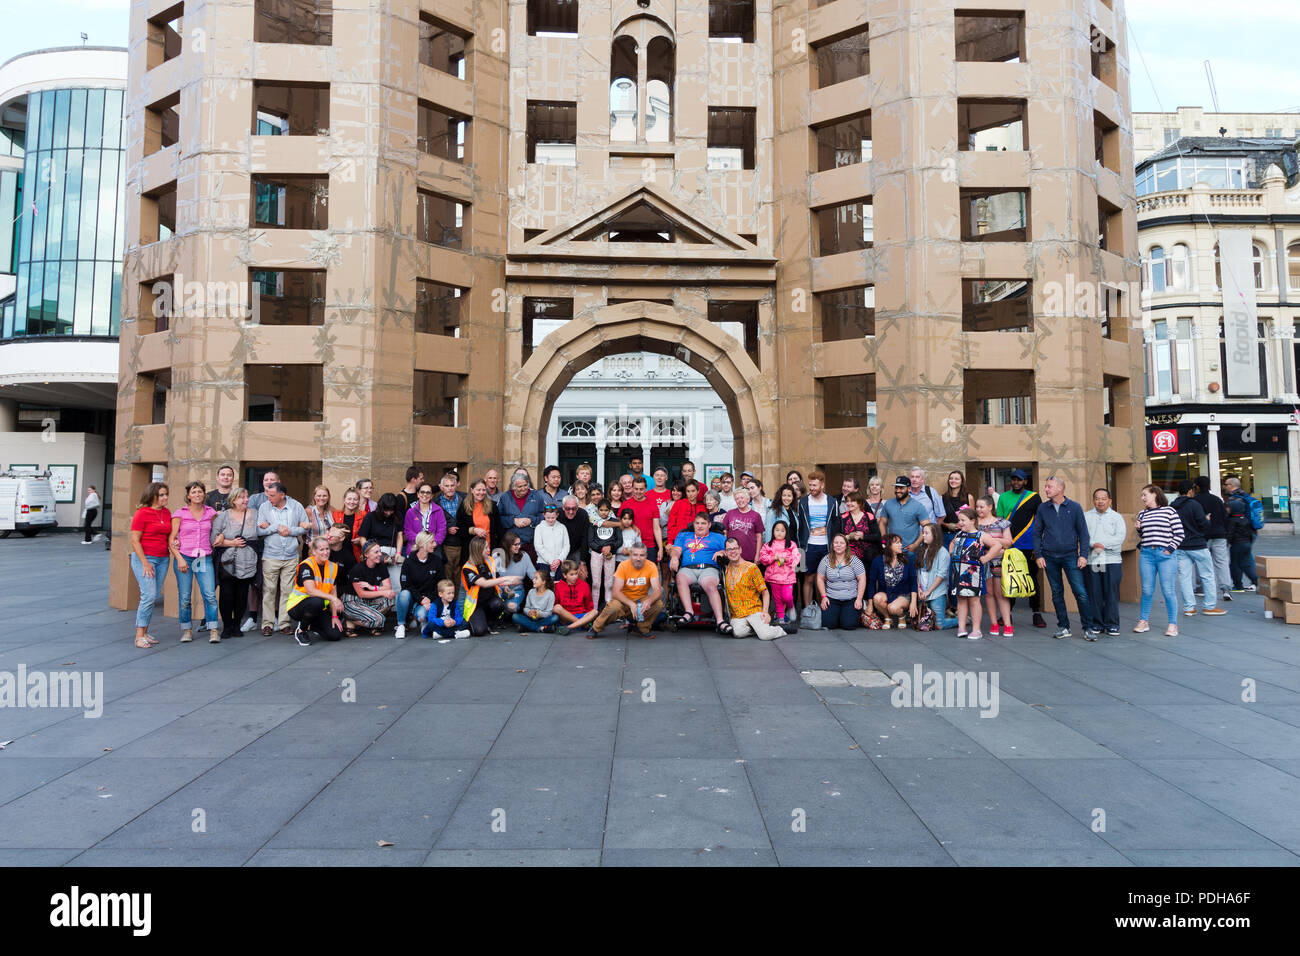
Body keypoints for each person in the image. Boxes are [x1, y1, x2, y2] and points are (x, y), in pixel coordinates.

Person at [1034, 476, 1097, 639]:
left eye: (1049, 486)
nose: (1046, 489)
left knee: (1080, 592)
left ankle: (1088, 628)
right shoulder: (1042, 508)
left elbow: (1084, 534)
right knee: (1056, 592)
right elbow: (1037, 533)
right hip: (1049, 557)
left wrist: (1083, 555)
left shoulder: (1075, 507)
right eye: (1046, 486)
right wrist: (1039, 555)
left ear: (1060, 489)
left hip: (1070, 556)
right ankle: (1063, 627)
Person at [170, 481, 220, 643]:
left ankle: (213, 629)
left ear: (204, 495)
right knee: (185, 597)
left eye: (200, 492)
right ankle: (187, 630)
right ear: (188, 496)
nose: (198, 494)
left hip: (204, 557)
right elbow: (171, 540)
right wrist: (179, 559)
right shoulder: (180, 514)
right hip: (185, 557)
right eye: (194, 492)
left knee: (209, 595)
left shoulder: (211, 512)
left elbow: (218, 529)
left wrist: (221, 537)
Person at [256, 481, 309, 635]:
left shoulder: (296, 506)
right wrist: (275, 527)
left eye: (272, 495)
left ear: (282, 495)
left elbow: (304, 526)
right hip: (271, 555)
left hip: (291, 555)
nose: (269, 498)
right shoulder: (264, 507)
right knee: (269, 591)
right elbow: (258, 531)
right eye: (267, 494)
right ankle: (267, 624)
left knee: (287, 590)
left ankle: (284, 623)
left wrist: (290, 531)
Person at [997, 468, 1045, 628]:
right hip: (1010, 546)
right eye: (1014, 479)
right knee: (1009, 578)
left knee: (1031, 579)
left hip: (1029, 546)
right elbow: (1001, 521)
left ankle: (1036, 613)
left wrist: (1037, 548)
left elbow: (1040, 523)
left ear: (1025, 481)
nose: (1016, 482)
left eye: (1020, 479)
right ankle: (1006, 614)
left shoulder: (1034, 497)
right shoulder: (1003, 497)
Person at [1171, 479, 1226, 619]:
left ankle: (1189, 608)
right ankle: (1209, 606)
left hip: (1180, 546)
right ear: (1190, 491)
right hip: (1197, 545)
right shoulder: (1194, 505)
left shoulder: (1172, 506)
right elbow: (1203, 525)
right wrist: (1207, 519)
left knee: (1184, 577)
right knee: (1207, 575)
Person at [1134, 484, 1184, 636]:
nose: (1142, 498)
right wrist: (1139, 529)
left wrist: (1168, 550)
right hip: (1147, 554)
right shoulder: (1142, 514)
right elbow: (1145, 536)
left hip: (1165, 554)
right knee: (1147, 590)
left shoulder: (1169, 511)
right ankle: (1143, 621)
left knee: (1168, 590)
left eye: (1145, 495)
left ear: (1155, 494)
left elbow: (1179, 533)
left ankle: (1172, 624)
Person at [586, 543, 664, 639]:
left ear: (646, 556)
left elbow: (657, 590)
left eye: (642, 555)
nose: (638, 558)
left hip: (640, 602)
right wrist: (631, 604)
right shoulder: (623, 565)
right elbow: (615, 592)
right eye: (635, 555)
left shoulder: (651, 566)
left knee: (658, 604)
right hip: (624, 601)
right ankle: (595, 628)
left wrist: (650, 600)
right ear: (631, 555)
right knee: (613, 606)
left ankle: (641, 628)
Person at [211, 487, 260, 639]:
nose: (246, 500)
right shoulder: (223, 516)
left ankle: (237, 625)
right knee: (226, 594)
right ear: (233, 500)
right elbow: (214, 540)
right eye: (242, 497)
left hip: (248, 561)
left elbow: (261, 534)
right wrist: (232, 542)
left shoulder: (255, 514)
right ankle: (226, 626)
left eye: (247, 496)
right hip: (228, 561)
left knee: (242, 594)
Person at [128, 482, 172, 649]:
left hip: (163, 559)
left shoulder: (167, 513)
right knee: (148, 596)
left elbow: (168, 535)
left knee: (152, 598)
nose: (165, 497)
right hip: (145, 559)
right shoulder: (142, 513)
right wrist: (145, 563)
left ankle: (145, 632)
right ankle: (139, 636)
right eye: (161, 495)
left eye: (166, 494)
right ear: (152, 496)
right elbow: (134, 541)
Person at [668, 512, 729, 631]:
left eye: (703, 523)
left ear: (709, 525)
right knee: (680, 578)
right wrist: (674, 557)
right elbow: (676, 550)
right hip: (688, 568)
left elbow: (730, 551)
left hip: (708, 568)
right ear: (693, 524)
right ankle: (689, 612)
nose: (700, 526)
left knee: (711, 586)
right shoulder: (684, 535)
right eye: (697, 523)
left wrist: (722, 553)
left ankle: (720, 620)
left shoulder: (719, 537)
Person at [949, 506, 1003, 639]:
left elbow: (997, 545)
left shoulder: (981, 535)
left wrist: (986, 558)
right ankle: (961, 627)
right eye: (959, 520)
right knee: (961, 599)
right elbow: (952, 543)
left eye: (963, 520)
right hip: (958, 571)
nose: (960, 523)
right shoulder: (959, 534)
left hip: (973, 572)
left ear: (973, 521)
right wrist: (952, 552)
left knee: (974, 599)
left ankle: (976, 629)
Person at [719, 536, 787, 640]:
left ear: (740, 550)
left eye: (735, 548)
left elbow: (765, 592)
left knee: (765, 636)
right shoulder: (726, 569)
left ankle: (779, 630)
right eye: (729, 549)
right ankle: (757, 629)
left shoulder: (752, 568)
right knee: (738, 633)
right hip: (737, 615)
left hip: (753, 610)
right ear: (726, 552)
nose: (732, 552)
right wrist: (717, 553)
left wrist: (765, 612)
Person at [286, 535, 345, 645]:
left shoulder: (333, 567)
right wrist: (333, 598)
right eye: (321, 549)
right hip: (297, 606)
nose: (325, 552)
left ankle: (311, 624)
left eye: (327, 549)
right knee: (317, 601)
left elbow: (333, 591)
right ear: (314, 551)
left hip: (319, 608)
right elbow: (311, 591)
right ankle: (301, 630)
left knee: (335, 635)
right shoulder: (307, 565)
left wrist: (334, 616)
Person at [1084, 487, 1126, 639]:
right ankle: (1097, 623)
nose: (1100, 501)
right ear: (1093, 500)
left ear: (1109, 501)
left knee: (1111, 593)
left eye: (1103, 498)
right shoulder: (1086, 516)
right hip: (1094, 559)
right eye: (1097, 498)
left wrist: (1103, 545)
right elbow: (1083, 535)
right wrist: (1095, 544)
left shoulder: (1116, 517)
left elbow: (1120, 537)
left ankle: (1112, 624)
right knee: (1095, 592)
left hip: (1111, 560)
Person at [798, 470, 842, 608]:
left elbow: (836, 525)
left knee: (827, 578)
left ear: (822, 485)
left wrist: (835, 545)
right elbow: (800, 526)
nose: (812, 488)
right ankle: (807, 611)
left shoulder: (832, 502)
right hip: (808, 546)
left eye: (815, 485)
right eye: (810, 485)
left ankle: (827, 609)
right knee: (808, 578)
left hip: (827, 546)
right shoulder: (803, 502)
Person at [975, 495, 1013, 637]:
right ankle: (994, 624)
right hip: (981, 562)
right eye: (977, 507)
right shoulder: (974, 523)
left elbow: (1009, 541)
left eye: (982, 507)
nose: (978, 509)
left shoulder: (1001, 522)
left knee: (1000, 594)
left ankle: (1008, 625)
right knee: (988, 594)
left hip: (999, 561)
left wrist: (990, 541)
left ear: (990, 507)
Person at [396, 530, 445, 639]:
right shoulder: (409, 562)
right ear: (423, 544)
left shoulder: (436, 561)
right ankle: (401, 625)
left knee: (422, 616)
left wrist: (429, 599)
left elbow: (441, 583)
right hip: (413, 598)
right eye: (431, 542)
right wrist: (420, 599)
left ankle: (422, 622)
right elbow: (406, 585)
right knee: (404, 595)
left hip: (428, 598)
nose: (434, 544)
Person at [459, 536, 510, 636]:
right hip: (476, 605)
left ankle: (490, 623)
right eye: (486, 548)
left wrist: (505, 586)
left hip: (489, 600)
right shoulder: (468, 567)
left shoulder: (490, 560)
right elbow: (484, 583)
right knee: (479, 631)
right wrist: (505, 579)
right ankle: (478, 622)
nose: (489, 550)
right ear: (478, 550)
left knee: (498, 604)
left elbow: (496, 577)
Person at [1194, 475, 1233, 604]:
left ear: (1197, 487)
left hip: (1202, 537)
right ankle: (1226, 589)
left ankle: (1201, 588)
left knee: (1201, 562)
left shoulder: (1195, 501)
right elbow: (1225, 518)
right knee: (1221, 562)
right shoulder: (1217, 500)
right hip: (1219, 535)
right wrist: (1226, 534)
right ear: (1209, 485)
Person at [344, 541, 397, 635]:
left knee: (391, 597)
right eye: (376, 552)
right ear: (366, 555)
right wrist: (382, 592)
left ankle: (365, 621)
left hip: (369, 600)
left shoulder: (381, 566)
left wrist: (372, 587)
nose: (380, 554)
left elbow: (388, 587)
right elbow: (361, 593)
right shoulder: (357, 569)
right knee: (380, 620)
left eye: (380, 551)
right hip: (353, 601)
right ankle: (351, 621)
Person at [817, 533, 866, 630]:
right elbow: (820, 578)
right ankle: (839, 616)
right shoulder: (826, 560)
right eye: (836, 542)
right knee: (828, 625)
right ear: (832, 545)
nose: (838, 545)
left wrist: (859, 599)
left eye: (841, 543)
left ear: (846, 546)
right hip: (832, 598)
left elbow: (862, 579)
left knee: (849, 625)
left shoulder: (854, 560)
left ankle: (847, 615)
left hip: (850, 598)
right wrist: (823, 597)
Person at [357, 492, 403, 595]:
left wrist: (398, 553)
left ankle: (395, 609)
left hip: (392, 552)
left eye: (391, 510)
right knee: (376, 584)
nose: (388, 513)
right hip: (375, 551)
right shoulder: (370, 516)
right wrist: (369, 551)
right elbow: (362, 537)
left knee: (397, 584)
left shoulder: (397, 517)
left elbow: (400, 536)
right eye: (386, 510)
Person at [868, 533, 917, 629]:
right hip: (886, 593)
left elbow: (913, 581)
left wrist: (914, 602)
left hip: (903, 594)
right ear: (888, 546)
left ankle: (902, 617)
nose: (901, 545)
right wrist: (870, 604)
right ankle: (887, 618)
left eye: (900, 542)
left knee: (893, 608)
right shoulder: (878, 561)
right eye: (897, 543)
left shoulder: (907, 560)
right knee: (877, 598)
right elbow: (871, 583)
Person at [757, 519, 801, 627]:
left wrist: (786, 558)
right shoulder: (768, 545)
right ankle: (781, 619)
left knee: (787, 597)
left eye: (782, 530)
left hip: (787, 577)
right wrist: (773, 557)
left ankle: (791, 607)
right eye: (777, 530)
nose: (779, 533)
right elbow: (763, 558)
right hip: (773, 577)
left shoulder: (791, 544)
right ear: (773, 532)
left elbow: (796, 558)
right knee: (777, 599)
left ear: (787, 532)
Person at [916, 523, 957, 629]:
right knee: (923, 622)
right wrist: (919, 588)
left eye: (926, 533)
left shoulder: (943, 552)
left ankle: (962, 619)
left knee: (939, 625)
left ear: (934, 535)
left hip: (936, 593)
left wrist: (928, 591)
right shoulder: (922, 549)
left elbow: (941, 575)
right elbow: (918, 571)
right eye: (923, 533)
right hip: (922, 592)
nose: (923, 535)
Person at [877, 475, 930, 556]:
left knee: (910, 569)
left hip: (910, 551)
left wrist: (916, 544)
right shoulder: (888, 504)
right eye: (896, 488)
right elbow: (882, 522)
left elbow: (927, 527)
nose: (898, 490)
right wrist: (884, 541)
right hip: (892, 549)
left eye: (901, 488)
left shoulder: (918, 506)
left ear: (909, 489)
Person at [455, 478, 501, 570]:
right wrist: (473, 530)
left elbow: (499, 529)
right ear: (472, 490)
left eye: (483, 490)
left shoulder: (492, 506)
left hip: (489, 551)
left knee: (489, 580)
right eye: (478, 490)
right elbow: (459, 530)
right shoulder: (464, 506)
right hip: (471, 553)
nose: (481, 492)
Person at [498, 472, 543, 560]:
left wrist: (531, 520)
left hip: (531, 544)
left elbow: (544, 516)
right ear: (513, 486)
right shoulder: (505, 497)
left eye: (525, 485)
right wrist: (513, 521)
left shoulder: (537, 496)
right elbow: (498, 519)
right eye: (519, 486)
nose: (523, 489)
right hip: (510, 546)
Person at [1224, 484, 1259, 592]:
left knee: (1234, 564)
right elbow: (1250, 533)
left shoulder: (1232, 521)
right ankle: (1257, 581)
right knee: (1246, 563)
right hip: (1247, 543)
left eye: (1229, 507)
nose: (1228, 509)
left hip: (1237, 545)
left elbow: (1230, 534)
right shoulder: (1245, 520)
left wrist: (1227, 543)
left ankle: (1238, 585)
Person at [403, 481, 448, 559]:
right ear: (418, 494)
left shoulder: (438, 510)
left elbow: (442, 530)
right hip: (415, 548)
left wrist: (434, 543)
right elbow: (408, 531)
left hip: (433, 549)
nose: (425, 495)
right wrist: (421, 542)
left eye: (428, 492)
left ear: (431, 496)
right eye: (422, 492)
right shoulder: (410, 512)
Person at [495, 531, 536, 614]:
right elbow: (492, 577)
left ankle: (507, 612)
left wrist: (545, 581)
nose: (519, 546)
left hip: (516, 590)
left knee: (512, 606)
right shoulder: (497, 556)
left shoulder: (524, 556)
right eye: (516, 544)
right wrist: (502, 586)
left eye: (519, 544)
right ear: (507, 545)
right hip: (499, 590)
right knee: (496, 604)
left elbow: (534, 575)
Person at [624, 476, 664, 562]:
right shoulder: (626, 504)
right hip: (631, 546)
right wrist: (632, 526)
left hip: (649, 546)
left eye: (641, 489)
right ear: (632, 488)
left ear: (646, 489)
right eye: (636, 489)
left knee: (650, 574)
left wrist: (660, 548)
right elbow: (619, 524)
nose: (638, 492)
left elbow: (656, 528)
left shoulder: (653, 504)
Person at [433, 471, 464, 580]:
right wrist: (447, 529)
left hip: (463, 543)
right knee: (446, 574)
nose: (450, 488)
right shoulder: (435, 503)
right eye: (447, 486)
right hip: (445, 544)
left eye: (452, 485)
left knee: (460, 575)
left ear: (456, 486)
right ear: (441, 487)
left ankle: (458, 597)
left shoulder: (464, 498)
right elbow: (433, 525)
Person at [588, 500, 618, 607]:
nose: (604, 512)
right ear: (597, 510)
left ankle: (608, 608)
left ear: (610, 511)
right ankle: (594, 608)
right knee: (596, 583)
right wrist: (601, 549)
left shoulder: (615, 522)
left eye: (606, 510)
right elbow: (590, 541)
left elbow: (619, 540)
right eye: (601, 510)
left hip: (611, 554)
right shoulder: (594, 522)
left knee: (609, 583)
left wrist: (610, 547)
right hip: (597, 554)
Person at [721, 487, 764, 562]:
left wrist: (757, 555)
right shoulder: (730, 513)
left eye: (742, 497)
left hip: (750, 554)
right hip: (732, 555)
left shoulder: (756, 515)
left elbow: (759, 537)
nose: (740, 500)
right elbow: (725, 533)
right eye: (737, 499)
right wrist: (724, 550)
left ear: (748, 499)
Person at [840, 490, 881, 569]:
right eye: (847, 501)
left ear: (859, 503)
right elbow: (836, 536)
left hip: (867, 557)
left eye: (852, 501)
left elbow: (877, 536)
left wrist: (863, 536)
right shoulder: (842, 517)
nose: (849, 503)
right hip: (848, 557)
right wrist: (848, 537)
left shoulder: (869, 517)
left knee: (867, 579)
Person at [554, 560, 598, 632]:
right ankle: (582, 624)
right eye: (571, 574)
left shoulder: (584, 585)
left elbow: (589, 605)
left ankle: (568, 628)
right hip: (565, 616)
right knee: (556, 608)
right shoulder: (559, 586)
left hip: (581, 615)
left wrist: (588, 617)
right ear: (565, 575)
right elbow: (556, 604)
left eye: (576, 573)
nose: (575, 577)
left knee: (595, 612)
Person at [514, 567, 560, 633]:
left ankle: (527, 627)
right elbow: (526, 608)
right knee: (515, 616)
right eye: (533, 578)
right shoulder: (531, 592)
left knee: (555, 617)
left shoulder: (550, 594)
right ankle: (541, 628)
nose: (533, 580)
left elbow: (549, 612)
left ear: (543, 582)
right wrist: (529, 612)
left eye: (536, 578)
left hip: (542, 618)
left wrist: (539, 614)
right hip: (530, 618)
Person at [666, 479, 708, 545]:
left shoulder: (702, 507)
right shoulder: (678, 504)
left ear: (698, 491)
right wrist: (670, 542)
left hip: (697, 542)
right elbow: (671, 524)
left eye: (693, 491)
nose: (690, 494)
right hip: (679, 541)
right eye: (688, 491)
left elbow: (705, 526)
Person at [535, 502, 571, 577]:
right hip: (543, 563)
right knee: (545, 585)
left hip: (560, 562)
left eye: (553, 518)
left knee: (559, 584)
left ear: (557, 515)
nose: (550, 520)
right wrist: (551, 561)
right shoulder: (539, 528)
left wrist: (559, 560)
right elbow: (538, 546)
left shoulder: (562, 527)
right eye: (548, 518)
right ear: (544, 515)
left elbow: (566, 546)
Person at [940, 470, 974, 546]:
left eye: (956, 479)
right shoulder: (942, 498)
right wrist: (948, 525)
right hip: (947, 535)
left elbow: (973, 518)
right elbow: (937, 519)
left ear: (962, 481)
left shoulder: (969, 497)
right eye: (951, 478)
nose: (953, 481)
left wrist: (963, 524)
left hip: (965, 535)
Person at [557, 495, 590, 573]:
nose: (571, 512)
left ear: (577, 507)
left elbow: (585, 538)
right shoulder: (557, 515)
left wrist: (582, 562)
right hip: (560, 550)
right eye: (568, 508)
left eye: (574, 509)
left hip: (576, 549)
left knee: (582, 573)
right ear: (563, 507)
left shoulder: (583, 514)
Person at [335, 489, 367, 564]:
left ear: (359, 501)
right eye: (349, 499)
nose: (352, 502)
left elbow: (370, 534)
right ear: (344, 500)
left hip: (356, 555)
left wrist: (361, 540)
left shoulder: (364, 515)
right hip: (338, 554)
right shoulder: (336, 514)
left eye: (355, 499)